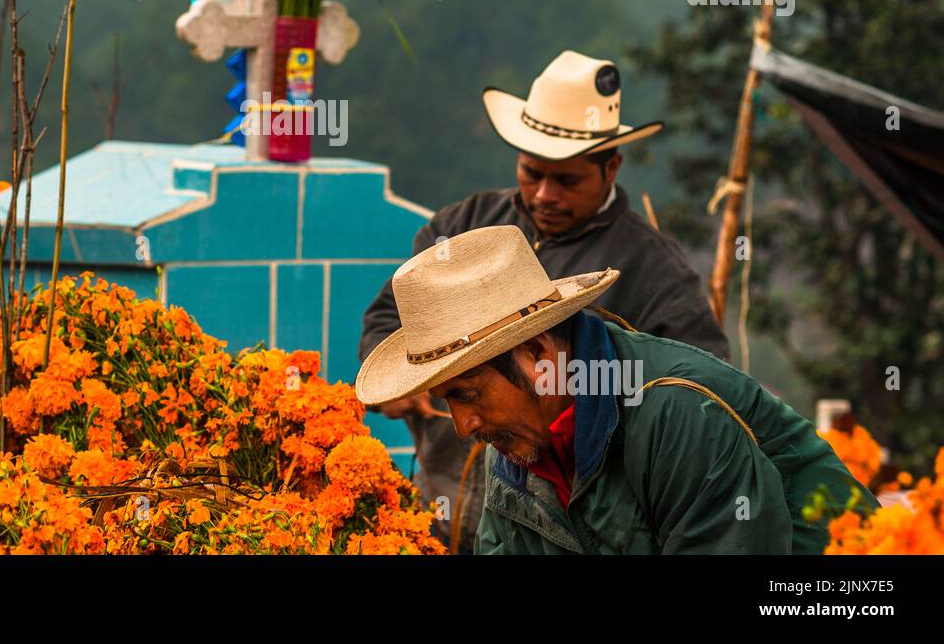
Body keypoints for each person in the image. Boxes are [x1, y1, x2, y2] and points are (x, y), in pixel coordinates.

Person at [359, 49, 729, 552]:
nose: (543, 195)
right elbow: (388, 314)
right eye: (532, 174)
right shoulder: (464, 227)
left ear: (612, 166)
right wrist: (406, 381)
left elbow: (702, 385)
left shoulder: (653, 265)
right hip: (440, 511)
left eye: (567, 180)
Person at [355, 225, 875, 553]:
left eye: (467, 393)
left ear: (537, 355)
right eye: (447, 401)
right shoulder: (514, 450)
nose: (464, 426)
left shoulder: (675, 411)